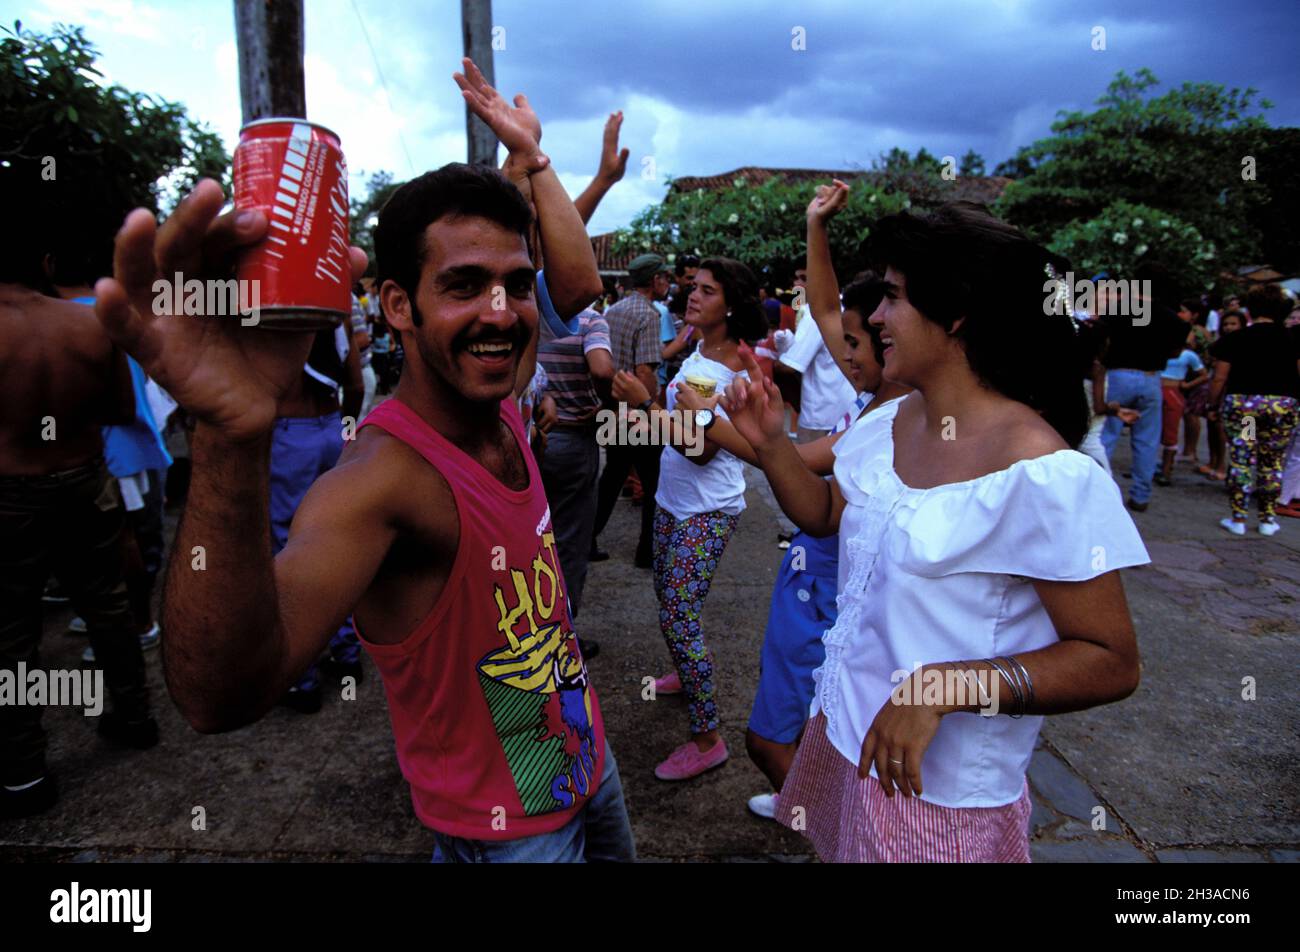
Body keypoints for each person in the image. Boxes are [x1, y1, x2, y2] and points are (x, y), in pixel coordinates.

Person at [92, 60, 633, 862]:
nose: (500, 311)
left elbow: (577, 281)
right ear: (394, 305)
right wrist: (231, 437)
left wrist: (536, 160)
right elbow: (218, 695)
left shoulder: (499, 392)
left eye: (516, 284)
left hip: (578, 755)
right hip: (505, 830)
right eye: (463, 285)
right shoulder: (381, 480)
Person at [727, 203, 1148, 862]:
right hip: (848, 740)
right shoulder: (889, 421)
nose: (873, 319)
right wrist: (773, 446)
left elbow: (1110, 659)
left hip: (934, 799)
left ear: (956, 314)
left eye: (891, 298)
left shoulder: (1044, 476)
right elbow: (829, 516)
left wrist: (945, 686)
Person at [1, 245, 159, 817]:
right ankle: (135, 715)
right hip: (85, 480)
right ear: (45, 261)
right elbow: (122, 408)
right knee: (109, 605)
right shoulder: (88, 321)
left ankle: (23, 771)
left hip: (9, 492)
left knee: (11, 633)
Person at [609, 258, 767, 780]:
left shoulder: (733, 374)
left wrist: (645, 406)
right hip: (673, 501)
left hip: (708, 510)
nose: (692, 296)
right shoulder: (699, 349)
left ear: (732, 304)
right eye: (692, 287)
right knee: (668, 599)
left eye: (707, 290)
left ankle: (708, 739)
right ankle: (685, 670)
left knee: (678, 615)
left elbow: (700, 450)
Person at [592, 253, 671, 568]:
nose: (667, 283)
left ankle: (586, 537)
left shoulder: (615, 310)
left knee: (612, 474)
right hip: (637, 410)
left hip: (613, 405)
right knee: (653, 481)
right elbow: (644, 372)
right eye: (664, 277)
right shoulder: (649, 315)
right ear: (654, 280)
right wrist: (653, 407)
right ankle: (647, 552)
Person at [1207, 285, 1300, 536]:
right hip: (1281, 408)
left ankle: (1238, 517)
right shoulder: (1293, 338)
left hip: (1248, 412)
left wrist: (1212, 404)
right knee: (1272, 461)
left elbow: (1219, 378)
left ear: (1250, 310)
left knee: (1244, 456)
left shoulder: (1237, 338)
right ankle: (1267, 519)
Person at [538, 308, 613, 620]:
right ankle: (561, 630)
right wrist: (605, 405)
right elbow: (602, 370)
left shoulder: (526, 313)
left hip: (528, 436)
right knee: (568, 539)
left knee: (531, 536)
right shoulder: (590, 320)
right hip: (572, 439)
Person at [1098, 267, 1190, 511]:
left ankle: (1099, 491)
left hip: (1117, 375)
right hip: (1151, 378)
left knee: (1105, 435)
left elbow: (1101, 343)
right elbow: (1176, 352)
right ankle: (1141, 495)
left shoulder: (1115, 311)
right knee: (1147, 441)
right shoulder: (1173, 320)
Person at [1155, 332, 1208, 487]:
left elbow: (1204, 375)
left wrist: (1187, 385)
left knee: (1171, 431)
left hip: (1173, 391)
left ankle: (1166, 471)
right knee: (1150, 431)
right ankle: (1149, 467)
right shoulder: (1162, 349)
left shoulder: (1189, 355)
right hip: (1156, 388)